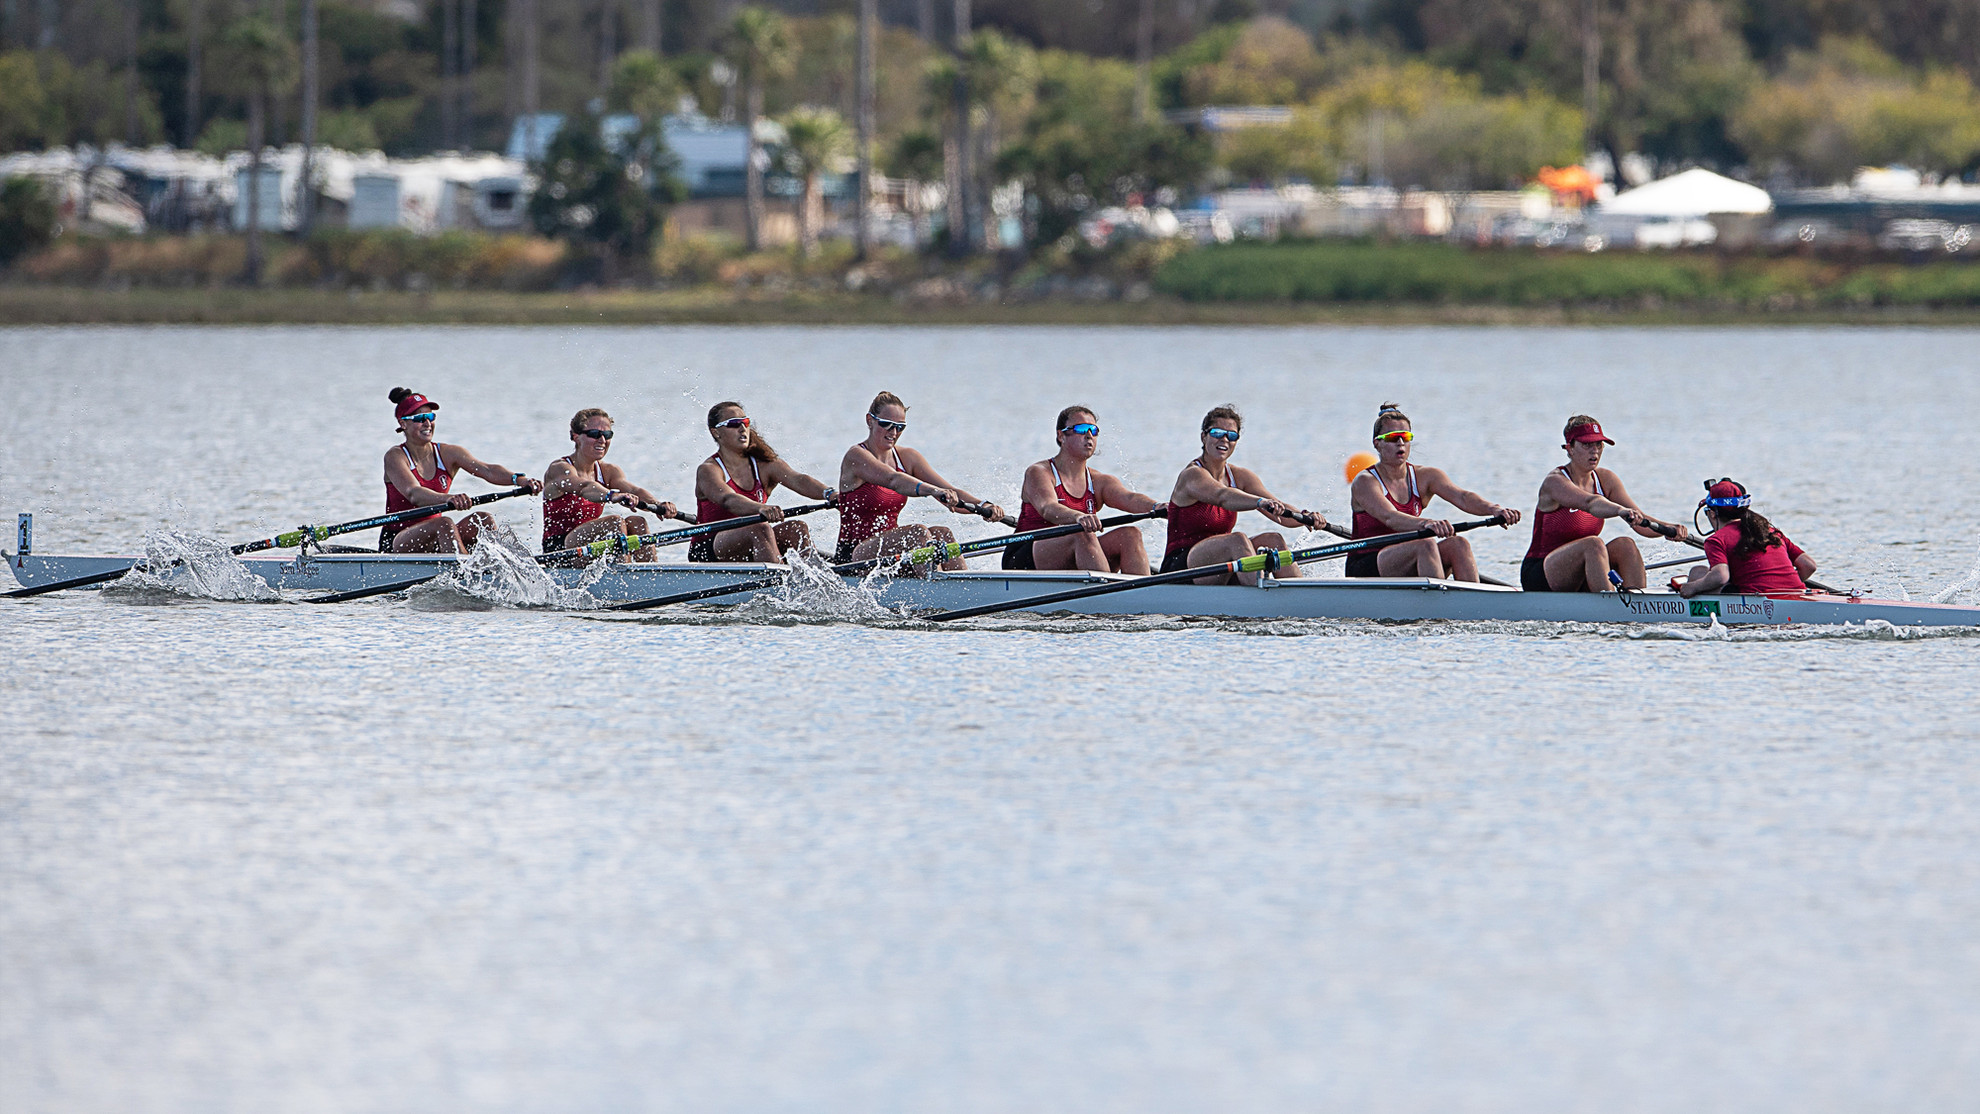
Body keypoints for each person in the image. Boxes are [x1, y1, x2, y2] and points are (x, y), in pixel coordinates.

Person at [1346, 402, 1518, 581]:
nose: (1400, 443)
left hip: (1409, 555)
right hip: (1368, 562)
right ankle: (1440, 604)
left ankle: (1473, 604)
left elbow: (1463, 497)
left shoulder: (1426, 476)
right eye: (1392, 437)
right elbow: (1390, 517)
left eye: (1405, 436)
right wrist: (1426, 523)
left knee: (1459, 544)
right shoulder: (1365, 482)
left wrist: (1495, 509)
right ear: (1377, 443)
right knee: (1426, 544)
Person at [835, 391, 1004, 570]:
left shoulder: (907, 457)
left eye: (900, 427)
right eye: (886, 425)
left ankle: (965, 591)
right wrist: (933, 491)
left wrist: (984, 505)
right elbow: (893, 479)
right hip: (855, 554)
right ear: (870, 420)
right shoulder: (856, 456)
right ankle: (935, 587)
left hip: (891, 550)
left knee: (942, 534)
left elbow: (949, 490)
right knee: (918, 533)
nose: (893, 432)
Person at [1162, 404, 1327, 585]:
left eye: (1232, 436)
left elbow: (1280, 511)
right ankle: (1259, 597)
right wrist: (1259, 502)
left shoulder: (1240, 476)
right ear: (1203, 436)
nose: (1224, 439)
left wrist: (1305, 517)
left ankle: (1300, 594)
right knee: (1237, 540)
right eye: (1217, 433)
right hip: (1182, 565)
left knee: (1274, 540)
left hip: (1220, 562)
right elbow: (1222, 496)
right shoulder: (1193, 475)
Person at [1521, 415, 1687, 592]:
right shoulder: (1555, 482)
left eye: (1599, 445)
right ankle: (1609, 607)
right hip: (1541, 573)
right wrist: (1620, 510)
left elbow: (1641, 523)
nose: (1595, 451)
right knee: (1593, 544)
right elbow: (1591, 502)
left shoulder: (1606, 479)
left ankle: (1640, 608)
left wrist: (1670, 528)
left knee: (1626, 545)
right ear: (1569, 448)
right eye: (1587, 445)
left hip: (1580, 570)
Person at [1005, 405, 1164, 574]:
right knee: (1081, 533)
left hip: (1074, 548)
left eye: (1093, 430)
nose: (1088, 435)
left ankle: (1141, 595)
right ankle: (1107, 594)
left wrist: (1157, 507)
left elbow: (1129, 498)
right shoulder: (1039, 472)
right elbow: (1048, 508)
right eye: (1081, 429)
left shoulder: (1099, 481)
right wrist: (1078, 516)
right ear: (1061, 435)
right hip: (1025, 554)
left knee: (1131, 535)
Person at [380, 387, 541, 553]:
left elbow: (487, 470)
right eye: (419, 418)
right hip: (398, 540)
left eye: (430, 417)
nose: (427, 423)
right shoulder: (395, 457)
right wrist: (449, 498)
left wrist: (519, 480)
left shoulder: (448, 453)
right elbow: (414, 493)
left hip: (434, 536)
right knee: (445, 524)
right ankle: (464, 573)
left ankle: (499, 568)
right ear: (403, 423)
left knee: (483, 519)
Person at [690, 401, 837, 563]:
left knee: (797, 528)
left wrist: (829, 494)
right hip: (709, 547)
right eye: (734, 424)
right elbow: (728, 500)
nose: (742, 429)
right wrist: (761, 508)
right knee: (760, 528)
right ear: (716, 433)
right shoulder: (709, 470)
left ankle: (817, 581)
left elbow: (798, 480)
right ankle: (779, 584)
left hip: (751, 538)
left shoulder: (764, 465)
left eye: (745, 423)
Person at [539, 408, 680, 561]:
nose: (602, 440)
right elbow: (583, 487)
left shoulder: (608, 471)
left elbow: (634, 489)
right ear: (576, 437)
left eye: (607, 435)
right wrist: (612, 495)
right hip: (560, 549)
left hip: (589, 545)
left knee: (637, 522)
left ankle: (650, 575)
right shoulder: (560, 468)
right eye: (594, 434)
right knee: (614, 522)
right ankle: (623, 572)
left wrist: (657, 504)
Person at [1674, 478, 1818, 597]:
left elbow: (1721, 576)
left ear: (1712, 513)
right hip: (1798, 593)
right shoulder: (1771, 531)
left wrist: (1692, 587)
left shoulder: (1716, 540)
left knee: (1697, 572)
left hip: (1758, 602)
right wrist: (1783, 586)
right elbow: (1809, 566)